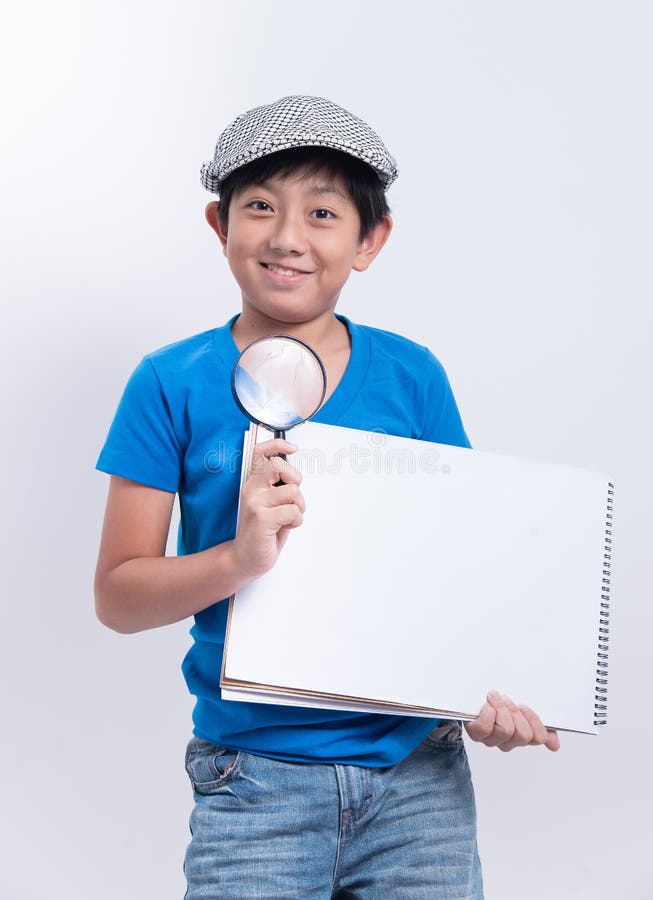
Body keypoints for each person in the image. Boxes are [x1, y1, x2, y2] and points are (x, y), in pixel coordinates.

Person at [94, 95, 559, 899]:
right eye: (260, 208)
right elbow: (119, 598)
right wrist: (239, 559)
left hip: (419, 782)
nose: (286, 237)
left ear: (369, 240)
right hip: (254, 782)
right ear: (219, 225)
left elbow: (463, 568)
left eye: (321, 213)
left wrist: (495, 696)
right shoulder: (168, 382)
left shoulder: (411, 374)